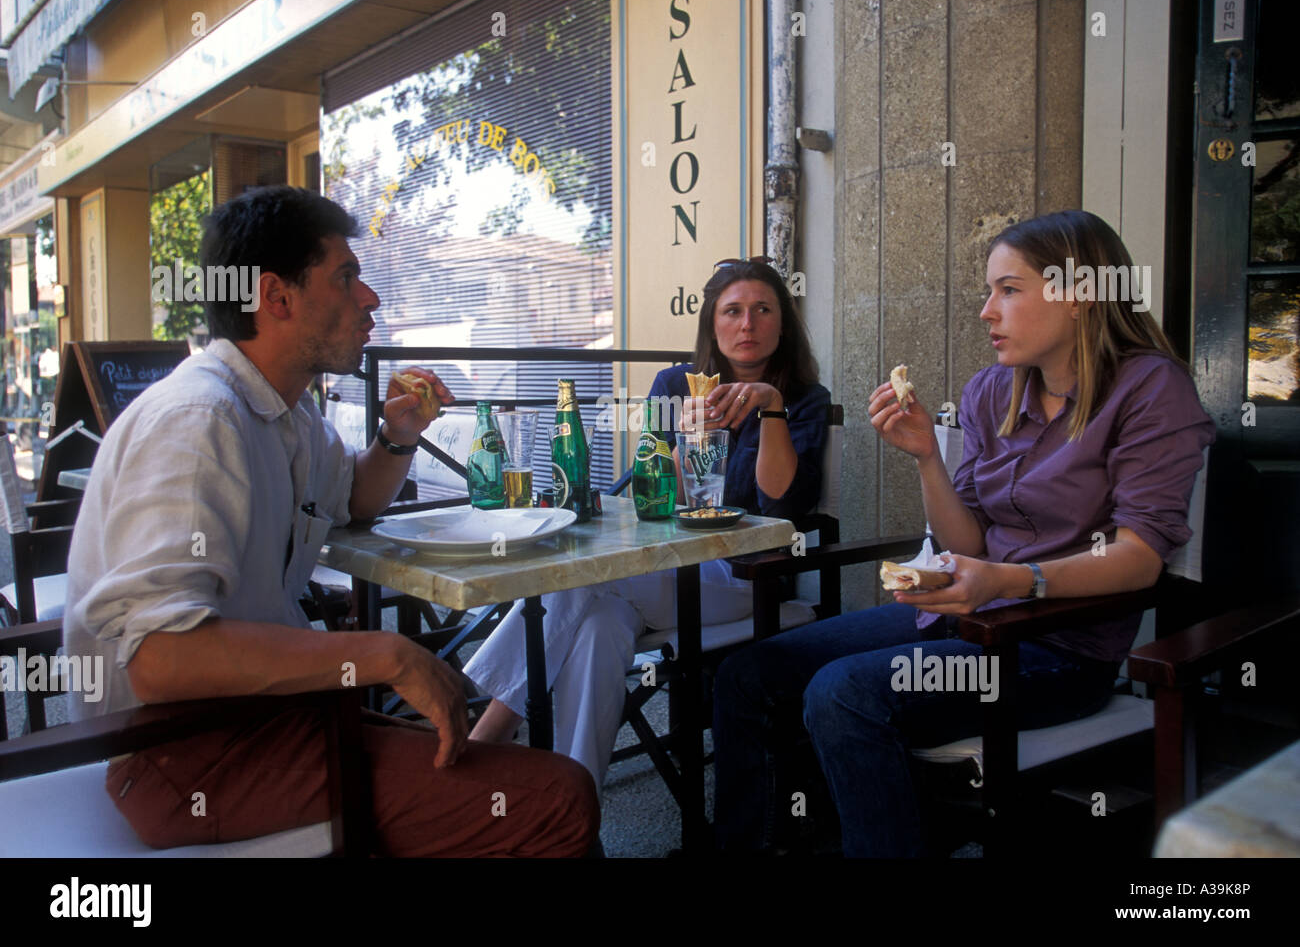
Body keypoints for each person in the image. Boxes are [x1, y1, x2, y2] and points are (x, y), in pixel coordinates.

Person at [63, 186, 598, 857]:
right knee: (557, 799)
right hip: (182, 757)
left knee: (486, 757)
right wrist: (384, 656)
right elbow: (160, 659)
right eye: (346, 277)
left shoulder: (288, 412)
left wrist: (397, 436)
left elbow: (351, 501)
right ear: (277, 298)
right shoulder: (198, 421)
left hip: (269, 720)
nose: (370, 298)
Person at [711, 210, 1216, 855]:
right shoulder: (991, 391)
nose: (986, 311)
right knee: (750, 673)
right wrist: (926, 456)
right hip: (964, 615)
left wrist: (1015, 581)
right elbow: (968, 545)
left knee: (845, 694)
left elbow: (1139, 557)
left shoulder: (1150, 389)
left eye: (1009, 290)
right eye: (989, 291)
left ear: (1079, 295)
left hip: (1056, 652)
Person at [464, 256, 830, 788]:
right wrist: (682, 445)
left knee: (581, 576)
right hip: (663, 569)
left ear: (782, 322)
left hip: (747, 579)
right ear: (712, 323)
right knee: (597, 628)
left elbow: (781, 510)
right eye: (732, 311)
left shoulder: (804, 400)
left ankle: (482, 735)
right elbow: (648, 499)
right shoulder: (674, 384)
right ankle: (576, 805)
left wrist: (771, 407)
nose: (746, 324)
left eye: (761, 310)